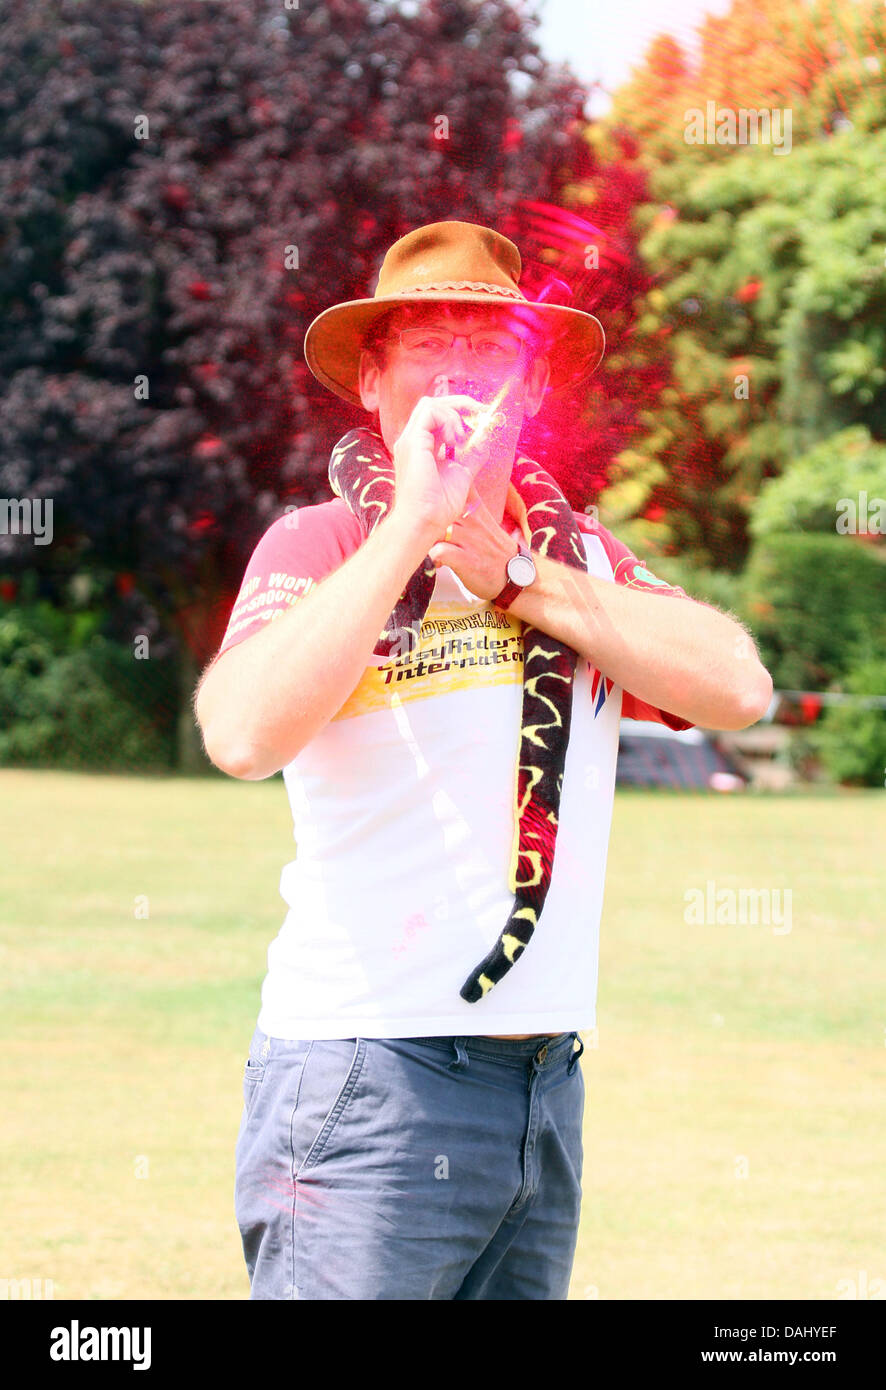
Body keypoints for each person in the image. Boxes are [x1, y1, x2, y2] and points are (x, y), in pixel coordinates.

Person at [194, 220, 773, 1300]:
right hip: (367, 1077)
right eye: (425, 343)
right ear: (371, 383)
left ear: (534, 382)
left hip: (542, 1082)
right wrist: (412, 524)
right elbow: (240, 735)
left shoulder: (580, 557)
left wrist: (516, 576)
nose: (461, 366)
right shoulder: (320, 544)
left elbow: (736, 685)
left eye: (491, 342)